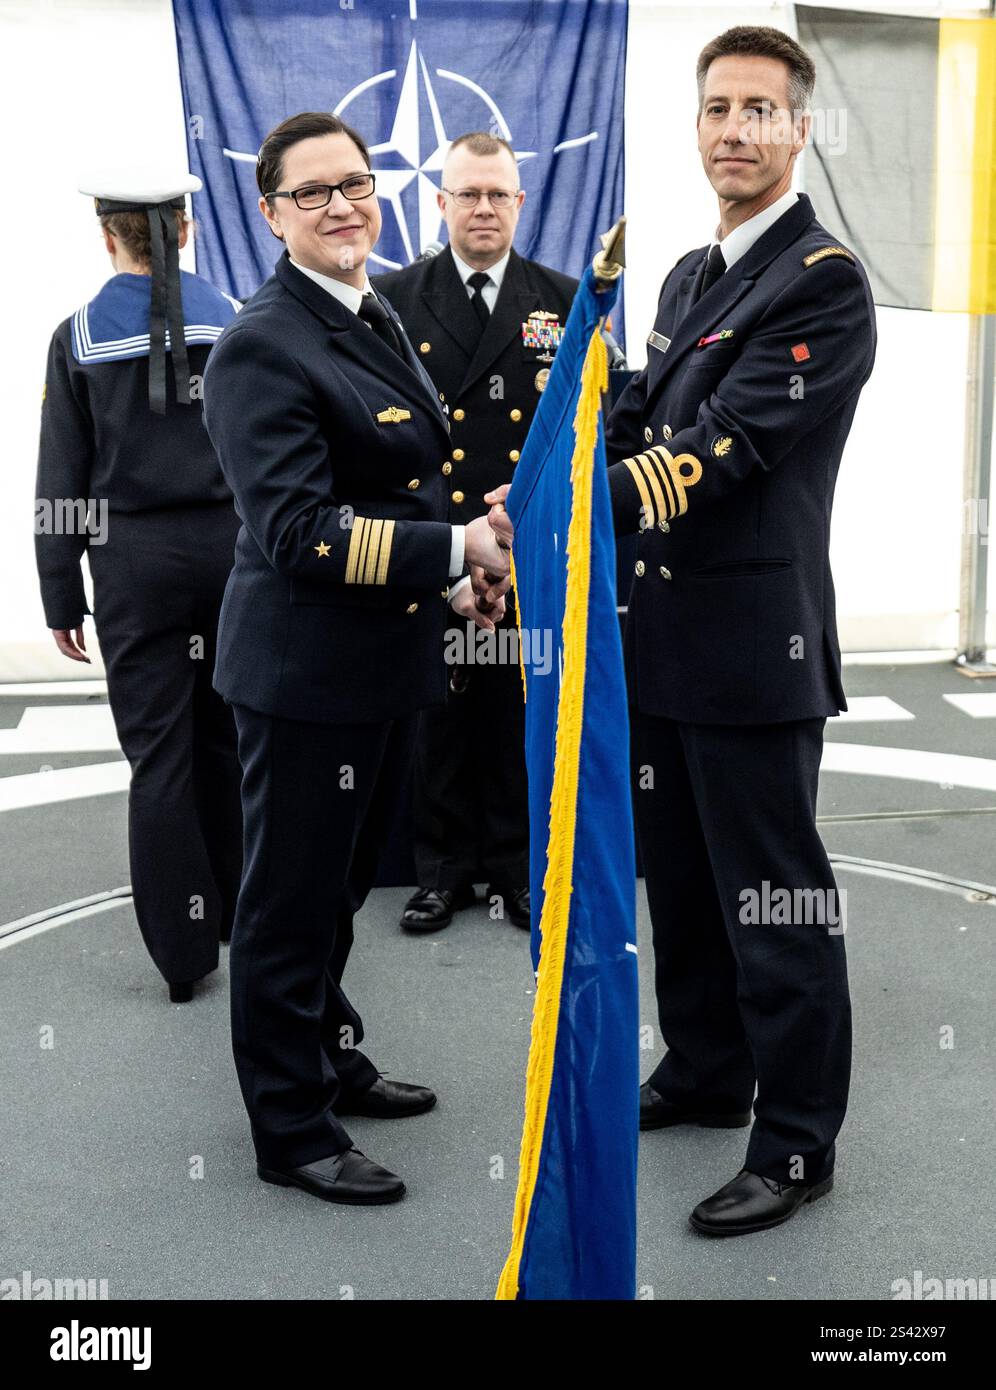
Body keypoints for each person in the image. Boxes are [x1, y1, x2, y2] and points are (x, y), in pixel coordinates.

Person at [488, 25, 877, 1236]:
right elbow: (643, 412)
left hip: (758, 651)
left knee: (775, 902)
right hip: (659, 643)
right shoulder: (690, 277)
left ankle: (799, 1143)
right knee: (690, 891)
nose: (735, 130)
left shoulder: (822, 281)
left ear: (800, 128)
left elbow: (716, 456)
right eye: (717, 108)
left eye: (762, 110)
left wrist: (558, 511)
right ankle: (710, 1070)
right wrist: (539, 474)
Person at [202, 112, 510, 1206]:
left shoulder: (366, 306)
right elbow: (300, 532)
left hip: (375, 667)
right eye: (315, 192)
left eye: (358, 183)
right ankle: (291, 1128)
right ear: (270, 211)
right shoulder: (258, 343)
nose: (343, 206)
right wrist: (453, 547)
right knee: (287, 905)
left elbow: (400, 481)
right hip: (305, 679)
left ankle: (329, 1055)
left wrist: (456, 568)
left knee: (332, 894)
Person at [34, 170, 244, 1004]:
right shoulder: (236, 319)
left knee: (159, 757)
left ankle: (184, 956)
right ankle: (235, 909)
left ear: (107, 236)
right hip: (234, 554)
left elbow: (64, 472)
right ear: (185, 232)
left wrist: (60, 591)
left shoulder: (78, 336)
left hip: (133, 563)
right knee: (230, 741)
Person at [374, 132, 576, 934]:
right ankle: (441, 873)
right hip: (443, 544)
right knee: (442, 716)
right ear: (441, 202)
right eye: (469, 194)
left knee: (519, 713)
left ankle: (517, 871)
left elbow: (573, 434)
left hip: (526, 548)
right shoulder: (394, 298)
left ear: (520, 203)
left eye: (498, 194)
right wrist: (454, 554)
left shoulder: (561, 299)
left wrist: (522, 543)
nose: (484, 208)